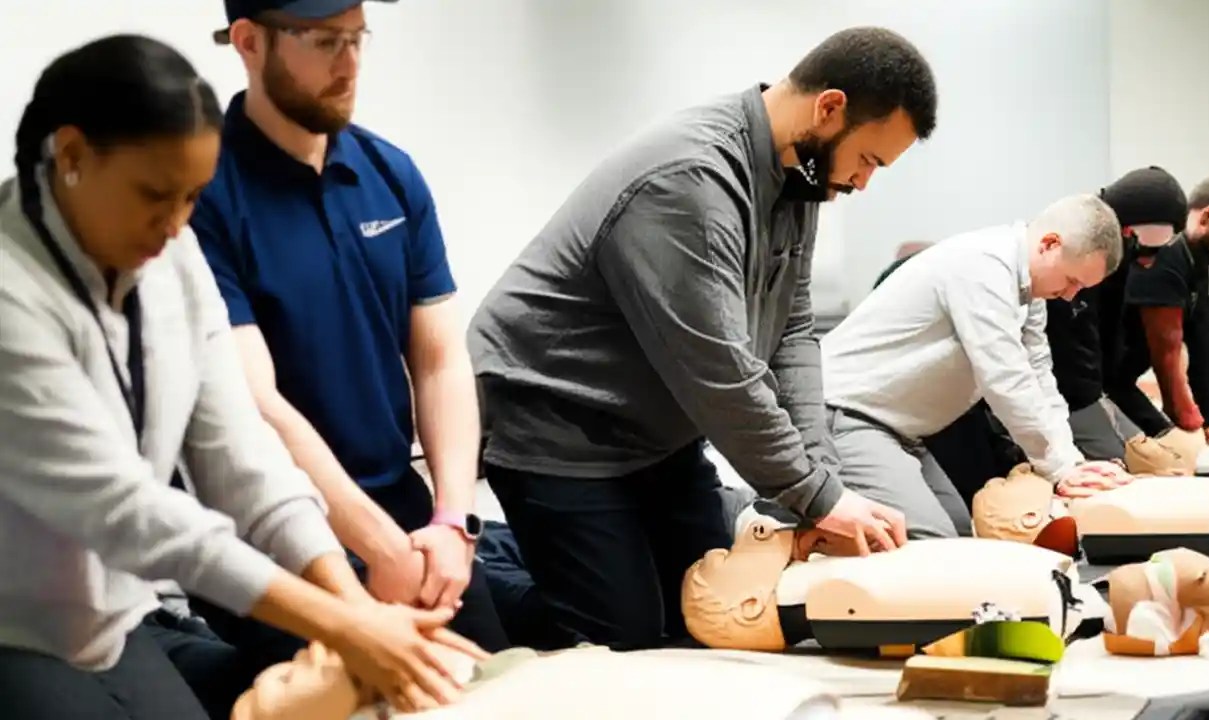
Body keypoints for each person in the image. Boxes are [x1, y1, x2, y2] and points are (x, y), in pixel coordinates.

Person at [0, 34, 484, 720]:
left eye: (193, 198)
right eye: (154, 195)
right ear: (73, 155)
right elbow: (127, 511)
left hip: (108, 609)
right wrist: (347, 626)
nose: (174, 226)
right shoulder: (11, 293)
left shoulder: (173, 258)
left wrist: (357, 609)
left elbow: (243, 457)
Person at [468, 26, 938, 650]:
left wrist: (824, 481)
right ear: (828, 109)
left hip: (654, 431)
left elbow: (792, 331)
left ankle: (552, 554)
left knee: (704, 612)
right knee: (624, 643)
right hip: (557, 424)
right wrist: (819, 499)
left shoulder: (800, 174)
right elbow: (721, 375)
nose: (862, 182)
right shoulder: (689, 182)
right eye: (869, 160)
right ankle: (465, 579)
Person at [190, 0, 511, 664]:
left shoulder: (390, 175)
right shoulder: (200, 198)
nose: (350, 63)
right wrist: (376, 548)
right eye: (324, 41)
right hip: (274, 538)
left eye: (358, 38)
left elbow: (440, 361)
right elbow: (258, 406)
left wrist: (452, 522)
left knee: (499, 683)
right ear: (249, 42)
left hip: (408, 514)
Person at [820, 194, 1132, 539]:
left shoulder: (1029, 292)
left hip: (900, 430)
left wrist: (1071, 462)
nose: (1072, 295)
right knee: (932, 542)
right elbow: (1006, 379)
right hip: (848, 415)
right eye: (1072, 280)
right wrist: (1059, 469)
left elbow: (1039, 377)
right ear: (1049, 244)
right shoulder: (984, 268)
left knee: (959, 532)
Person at [1102, 172, 1209, 448]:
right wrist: (1188, 423)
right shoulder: (1163, 255)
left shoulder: (1196, 259)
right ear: (1208, 217)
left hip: (1119, 383)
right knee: (1176, 449)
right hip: (1102, 386)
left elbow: (1204, 333)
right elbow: (1166, 351)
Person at [1045, 167, 1188, 461]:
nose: (1149, 263)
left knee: (1162, 455)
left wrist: (1157, 427)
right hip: (1057, 394)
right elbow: (1070, 365)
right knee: (1125, 462)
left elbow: (1110, 368)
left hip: (1087, 389)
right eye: (1146, 253)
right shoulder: (1080, 244)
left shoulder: (1121, 255)